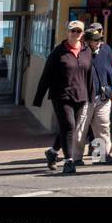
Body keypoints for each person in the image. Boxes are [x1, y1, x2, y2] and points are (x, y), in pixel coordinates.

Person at [32, 21, 93, 174]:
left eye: (79, 31)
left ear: (83, 33)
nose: (75, 33)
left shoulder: (87, 51)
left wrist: (91, 94)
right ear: (67, 32)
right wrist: (38, 98)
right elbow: (46, 75)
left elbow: (90, 74)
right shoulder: (58, 52)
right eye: (73, 30)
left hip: (81, 95)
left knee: (69, 128)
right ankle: (69, 161)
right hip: (61, 95)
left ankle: (52, 152)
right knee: (69, 126)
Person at [75, 25, 112, 165]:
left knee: (102, 126)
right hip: (86, 97)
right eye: (95, 40)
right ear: (87, 41)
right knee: (81, 128)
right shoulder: (81, 52)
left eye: (100, 39)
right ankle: (76, 158)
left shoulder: (106, 49)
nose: (99, 42)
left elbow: (111, 69)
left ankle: (101, 156)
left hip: (103, 95)